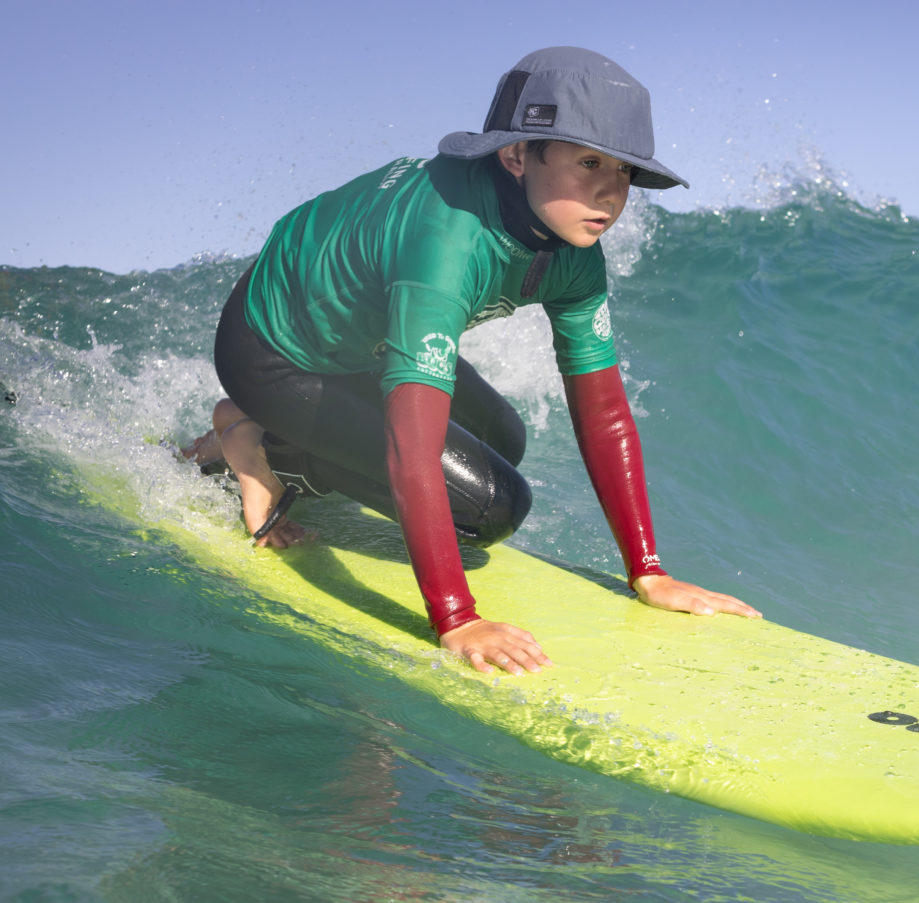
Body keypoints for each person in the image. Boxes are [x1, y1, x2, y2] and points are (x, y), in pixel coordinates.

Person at [186, 46, 758, 677]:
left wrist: (649, 572)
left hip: (362, 343)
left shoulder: (573, 251)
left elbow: (604, 413)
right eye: (588, 162)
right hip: (274, 350)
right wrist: (456, 616)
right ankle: (261, 437)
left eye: (623, 170)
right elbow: (412, 446)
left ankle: (278, 429)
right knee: (494, 508)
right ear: (516, 155)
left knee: (501, 440)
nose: (610, 191)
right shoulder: (448, 242)